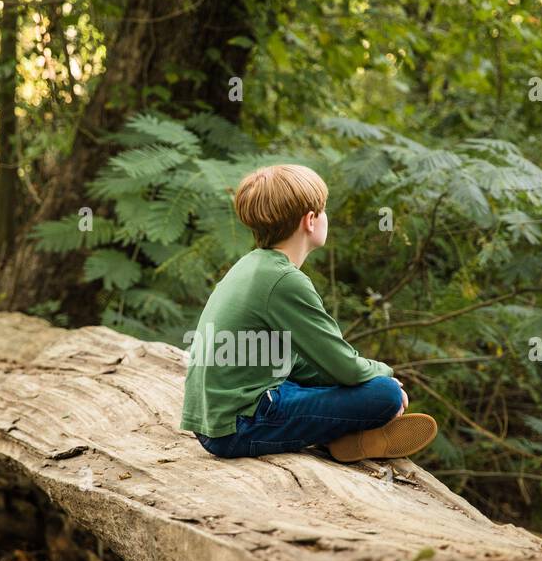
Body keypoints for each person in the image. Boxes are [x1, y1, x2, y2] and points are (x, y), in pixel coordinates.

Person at [180, 162, 438, 462]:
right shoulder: (284, 280)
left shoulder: (251, 266)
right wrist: (385, 375)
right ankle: (345, 435)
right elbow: (344, 366)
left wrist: (348, 379)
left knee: (339, 385)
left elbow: (301, 364)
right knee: (384, 396)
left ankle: (344, 439)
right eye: (324, 211)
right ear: (311, 221)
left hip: (217, 419)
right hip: (239, 427)